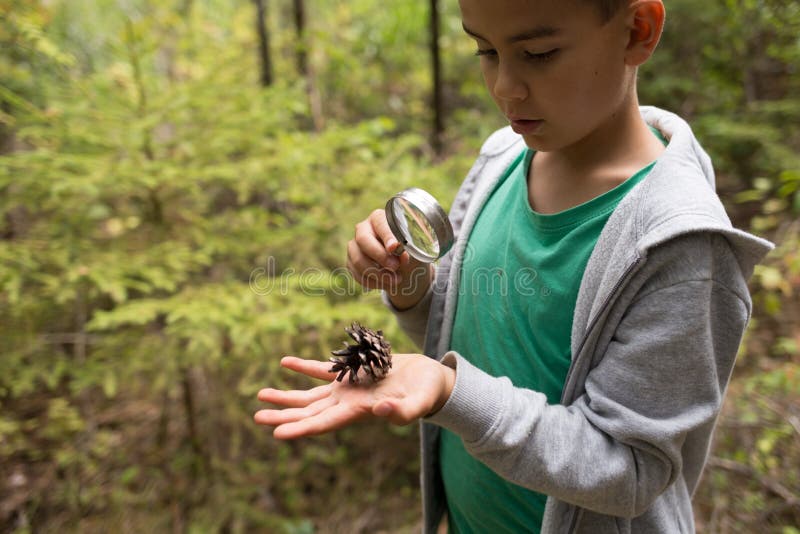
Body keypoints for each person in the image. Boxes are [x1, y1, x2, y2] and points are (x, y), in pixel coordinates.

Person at [254, 0, 774, 532]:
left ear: (637, 30)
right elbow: (468, 328)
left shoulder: (680, 247)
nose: (505, 87)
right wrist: (411, 284)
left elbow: (629, 469)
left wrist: (455, 394)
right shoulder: (502, 159)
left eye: (538, 53)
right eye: (486, 50)